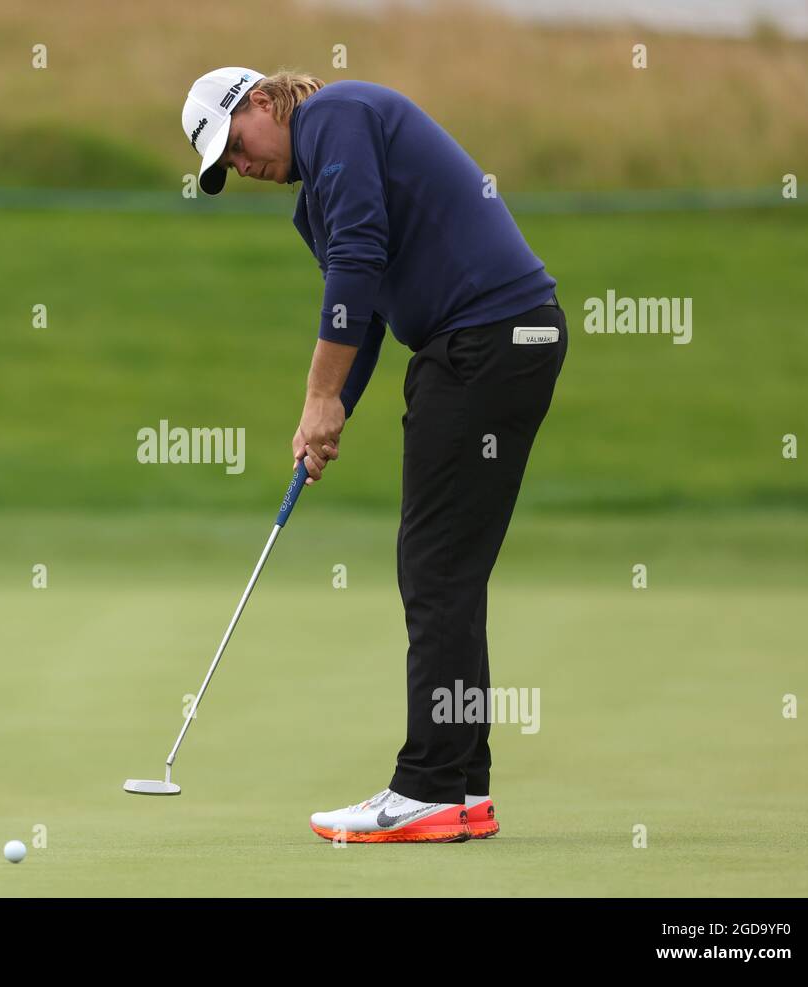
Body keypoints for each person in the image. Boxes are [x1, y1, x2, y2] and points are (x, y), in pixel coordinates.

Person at [181, 67, 569, 843]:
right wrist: (328, 415)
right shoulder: (311, 205)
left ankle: (425, 787)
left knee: (433, 567)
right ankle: (461, 787)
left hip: (486, 342)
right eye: (223, 167)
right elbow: (364, 308)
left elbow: (360, 256)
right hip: (488, 344)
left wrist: (317, 396)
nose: (240, 165)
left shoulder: (338, 114)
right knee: (446, 568)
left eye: (236, 145)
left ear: (260, 101)